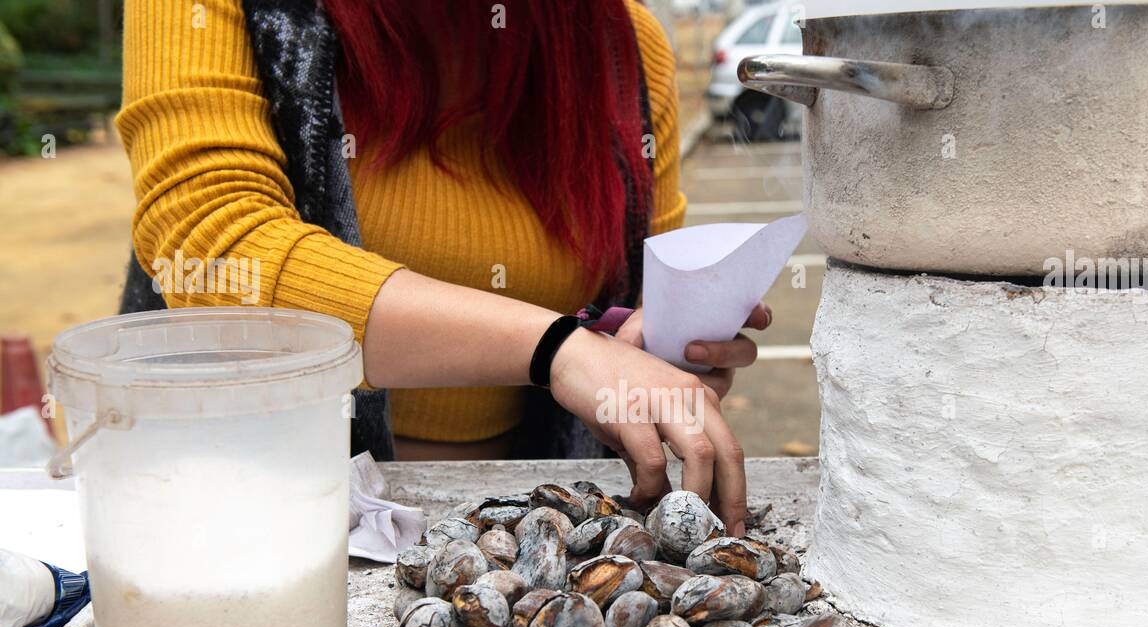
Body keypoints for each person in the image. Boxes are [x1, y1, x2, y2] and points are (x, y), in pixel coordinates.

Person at [116, 0, 771, 535]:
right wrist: (560, 351)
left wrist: (662, 345)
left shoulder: (624, 46)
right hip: (237, 520)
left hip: (526, 533)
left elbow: (631, 304)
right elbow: (208, 244)